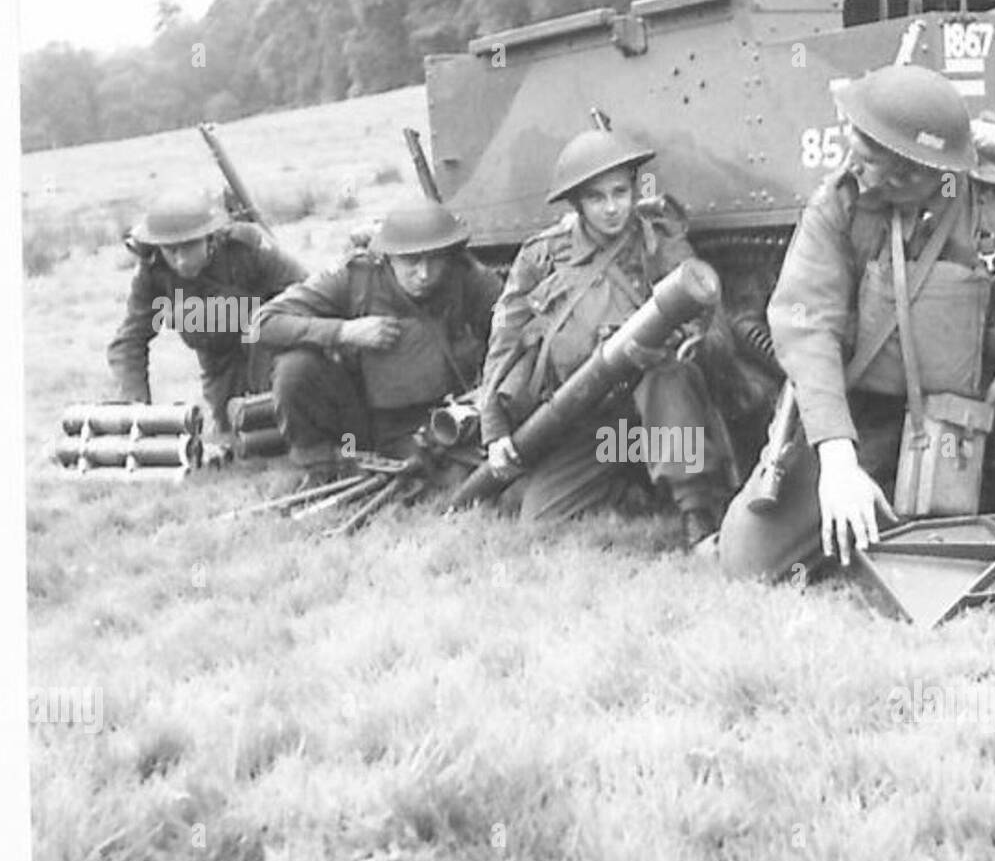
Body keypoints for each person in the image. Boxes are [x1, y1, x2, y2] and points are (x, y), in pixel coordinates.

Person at [718, 63, 995, 580]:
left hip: (966, 422)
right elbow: (807, 329)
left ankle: (944, 514)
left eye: (871, 161)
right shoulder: (839, 209)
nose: (855, 168)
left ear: (916, 170)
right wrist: (837, 463)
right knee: (747, 564)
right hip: (859, 422)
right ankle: (879, 502)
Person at [477, 126, 734, 546]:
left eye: (620, 192)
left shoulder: (660, 244)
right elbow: (504, 339)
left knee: (667, 382)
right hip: (587, 422)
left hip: (653, 412)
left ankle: (695, 512)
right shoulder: (541, 256)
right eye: (597, 198)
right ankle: (633, 482)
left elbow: (707, 323)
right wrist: (494, 429)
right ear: (577, 202)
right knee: (539, 522)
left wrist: (677, 344)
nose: (613, 208)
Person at [251, 195, 500, 485]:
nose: (424, 274)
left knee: (451, 479)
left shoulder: (468, 278)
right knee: (295, 367)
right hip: (359, 424)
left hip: (443, 420)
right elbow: (263, 323)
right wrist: (345, 331)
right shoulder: (354, 278)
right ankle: (323, 465)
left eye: (435, 260)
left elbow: (514, 332)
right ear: (388, 256)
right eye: (411, 261)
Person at [108, 187, 306, 458]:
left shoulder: (246, 247)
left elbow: (307, 294)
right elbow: (129, 342)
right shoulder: (153, 273)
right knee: (236, 441)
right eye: (170, 250)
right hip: (218, 362)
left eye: (187, 248)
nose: (179, 260)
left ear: (209, 239)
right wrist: (136, 412)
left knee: (279, 430)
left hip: (267, 346)